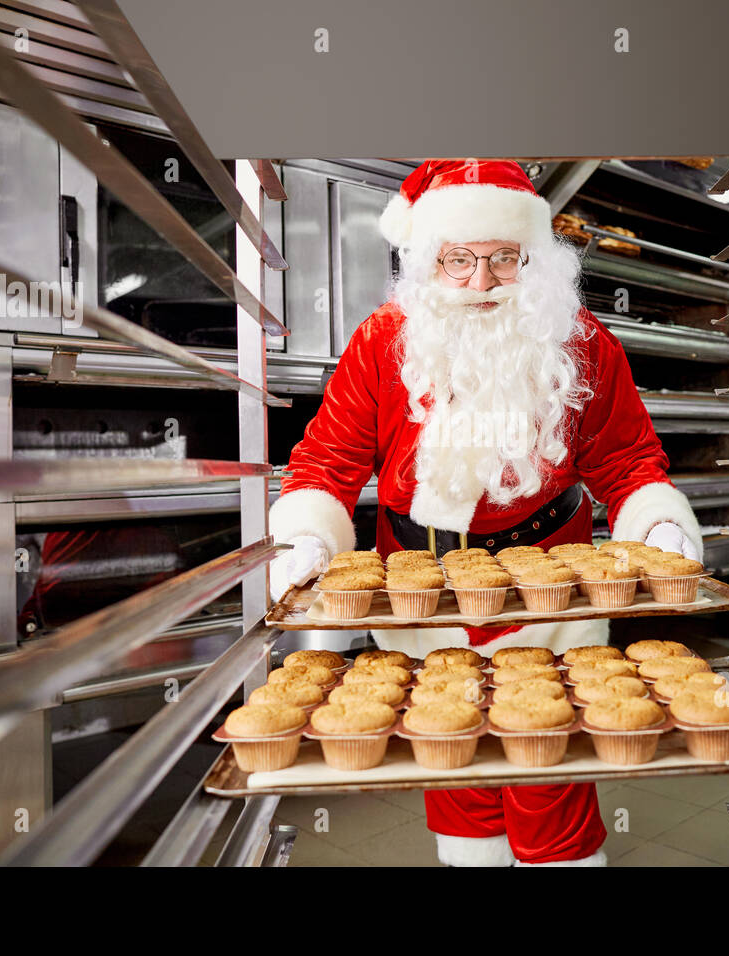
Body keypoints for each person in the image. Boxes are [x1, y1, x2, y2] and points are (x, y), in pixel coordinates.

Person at [266, 159, 703, 867]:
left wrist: (656, 523)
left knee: (546, 763)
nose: (480, 282)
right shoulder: (382, 342)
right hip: (423, 594)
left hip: (549, 592)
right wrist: (308, 539)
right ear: (427, 260)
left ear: (535, 261)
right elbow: (328, 462)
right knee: (453, 756)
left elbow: (627, 462)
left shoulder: (582, 342)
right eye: (459, 259)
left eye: (505, 260)